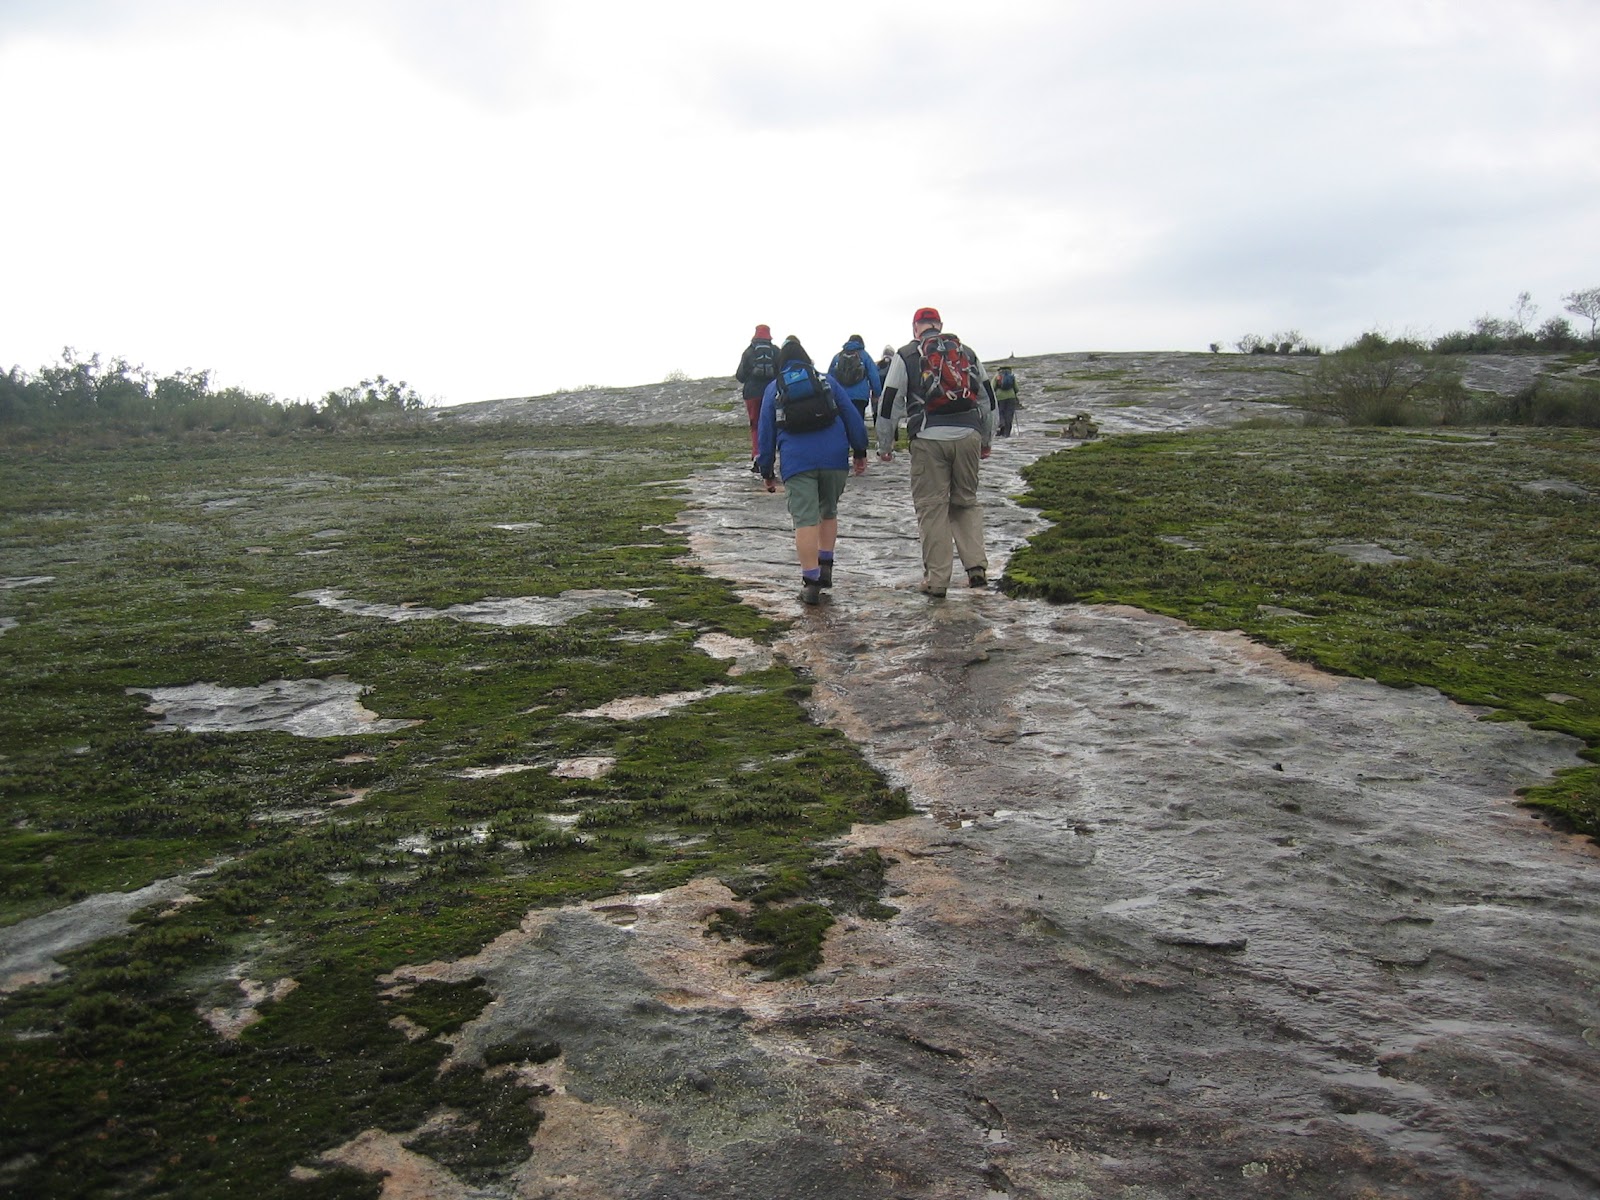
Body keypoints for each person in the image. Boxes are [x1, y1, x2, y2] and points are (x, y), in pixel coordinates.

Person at [876, 306, 995, 598]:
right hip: (968, 434)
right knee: (965, 503)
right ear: (939, 325)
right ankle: (976, 569)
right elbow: (987, 398)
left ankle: (937, 580)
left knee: (932, 508)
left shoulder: (906, 355)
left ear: (916, 328)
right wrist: (986, 439)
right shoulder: (966, 352)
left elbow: (890, 401)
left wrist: (885, 444)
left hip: (928, 438)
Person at [755, 336, 870, 605]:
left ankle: (810, 582)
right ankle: (826, 564)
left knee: (805, 520)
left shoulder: (774, 388)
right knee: (828, 511)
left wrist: (767, 471)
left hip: (798, 462)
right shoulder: (826, 381)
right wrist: (860, 451)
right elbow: (851, 415)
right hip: (834, 458)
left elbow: (766, 433)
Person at [734, 324, 778, 474]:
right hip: (772, 392)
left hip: (752, 394)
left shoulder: (749, 351)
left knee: (755, 426)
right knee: (772, 425)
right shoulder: (776, 351)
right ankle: (771, 457)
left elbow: (740, 375)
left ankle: (757, 455)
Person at [827, 334, 881, 427]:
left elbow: (830, 377)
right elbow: (874, 375)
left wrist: (831, 395)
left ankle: (845, 440)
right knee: (857, 424)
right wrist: (877, 394)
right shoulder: (864, 355)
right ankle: (858, 441)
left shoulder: (838, 356)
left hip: (842, 396)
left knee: (844, 425)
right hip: (860, 397)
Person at [992, 364, 1020, 436]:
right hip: (1011, 398)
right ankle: (1007, 434)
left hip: (1000, 398)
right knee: (1009, 415)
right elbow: (1017, 388)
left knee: (1000, 413)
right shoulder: (1012, 376)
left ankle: (1002, 424)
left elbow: (992, 387)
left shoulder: (997, 376)